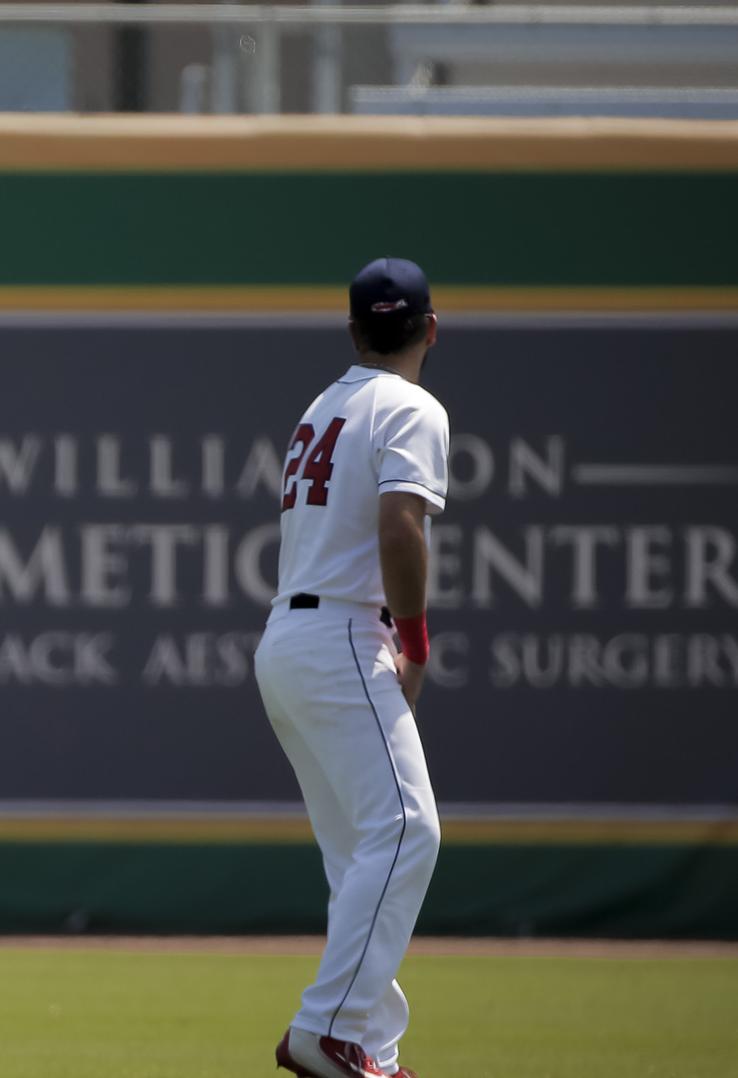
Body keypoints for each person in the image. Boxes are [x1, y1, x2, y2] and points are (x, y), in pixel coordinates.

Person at [257, 259, 448, 1078]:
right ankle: (328, 1029)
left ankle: (367, 1045)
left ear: (353, 331)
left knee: (359, 858)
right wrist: (415, 639)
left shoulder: (322, 404)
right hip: (341, 636)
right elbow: (401, 526)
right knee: (408, 828)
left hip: (288, 640)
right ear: (430, 330)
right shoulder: (413, 404)